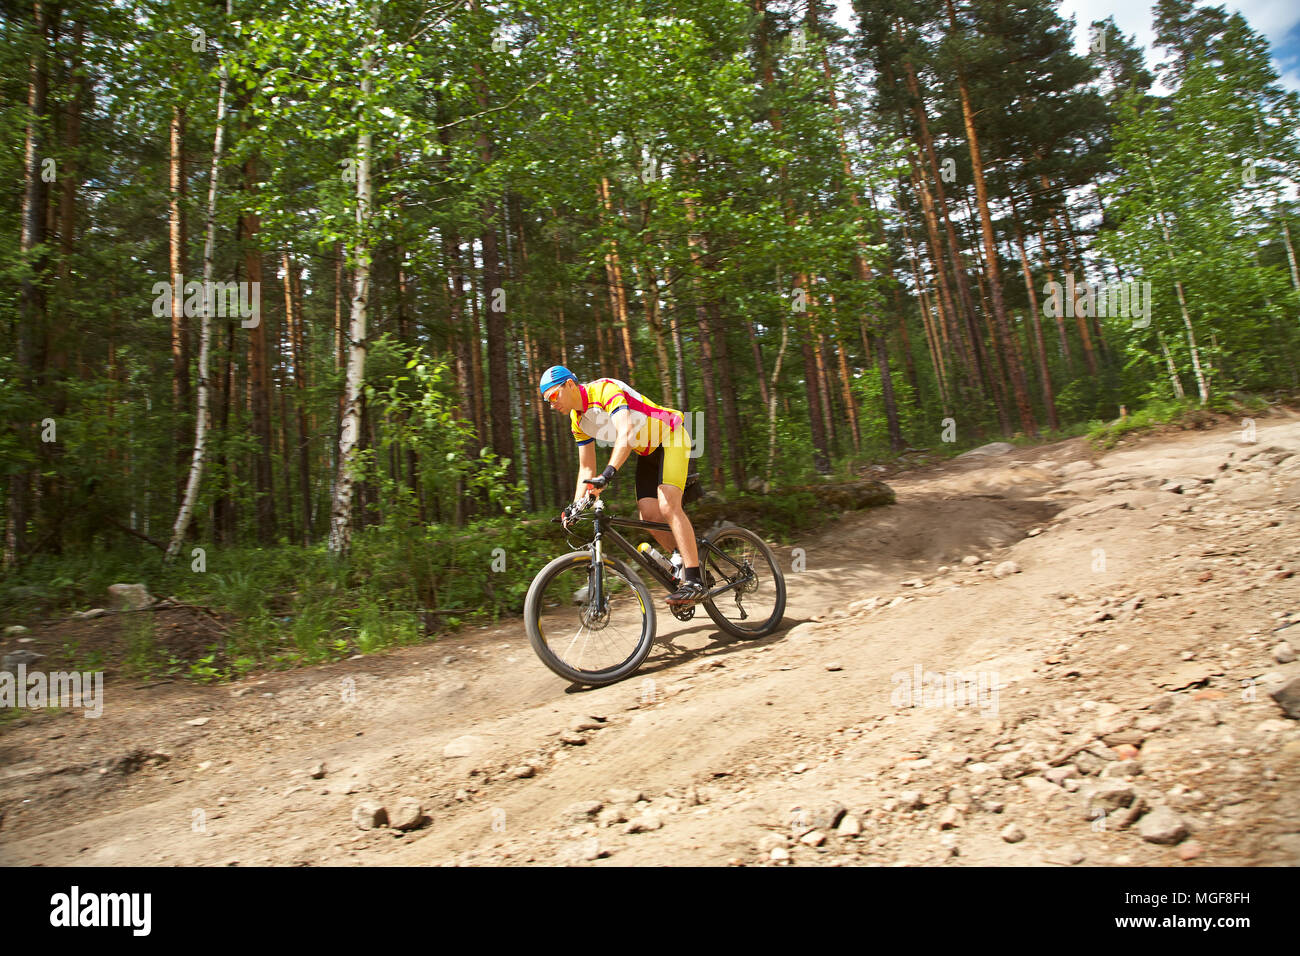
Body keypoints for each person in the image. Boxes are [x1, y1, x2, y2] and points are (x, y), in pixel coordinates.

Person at [539, 365, 706, 607]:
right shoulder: (578, 422)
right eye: (547, 401)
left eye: (554, 396)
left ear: (570, 385)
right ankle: (682, 556)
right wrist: (575, 506)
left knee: (668, 503)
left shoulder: (604, 390)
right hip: (648, 451)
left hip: (671, 435)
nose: (552, 404)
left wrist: (607, 475)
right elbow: (586, 468)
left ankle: (694, 581)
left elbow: (625, 433)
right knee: (648, 514)